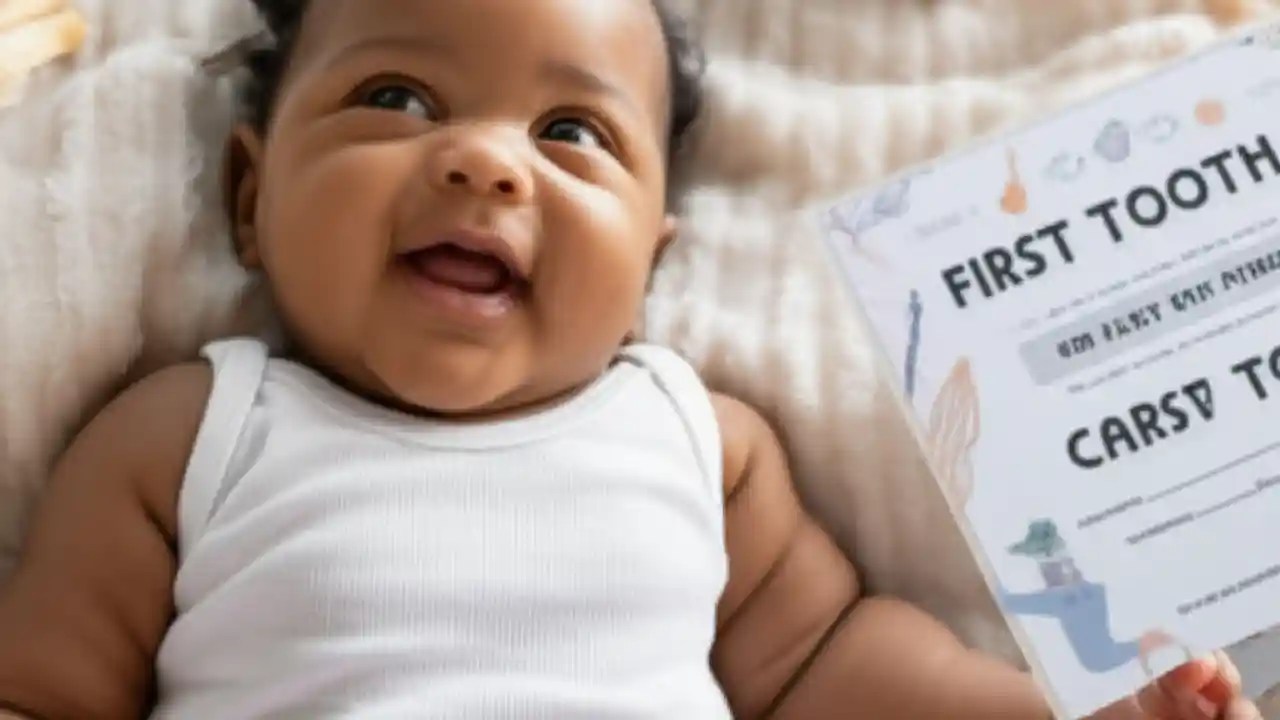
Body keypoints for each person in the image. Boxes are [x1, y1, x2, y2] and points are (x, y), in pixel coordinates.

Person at [0, 0, 1260, 718]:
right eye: (397, 99)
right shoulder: (192, 431)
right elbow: (50, 693)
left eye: (569, 132)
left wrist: (1075, 714)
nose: (485, 162)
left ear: (650, 255)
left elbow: (823, 666)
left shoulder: (691, 436)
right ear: (248, 197)